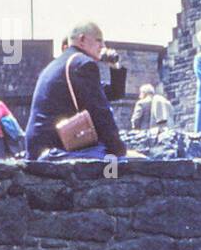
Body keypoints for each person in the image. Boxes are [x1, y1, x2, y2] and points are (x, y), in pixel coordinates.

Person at [25, 20, 129, 160]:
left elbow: (113, 93)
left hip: (39, 148)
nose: (103, 46)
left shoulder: (62, 64)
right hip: (55, 150)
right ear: (82, 39)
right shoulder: (83, 64)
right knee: (123, 163)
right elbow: (100, 113)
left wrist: (114, 65)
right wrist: (119, 150)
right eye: (99, 41)